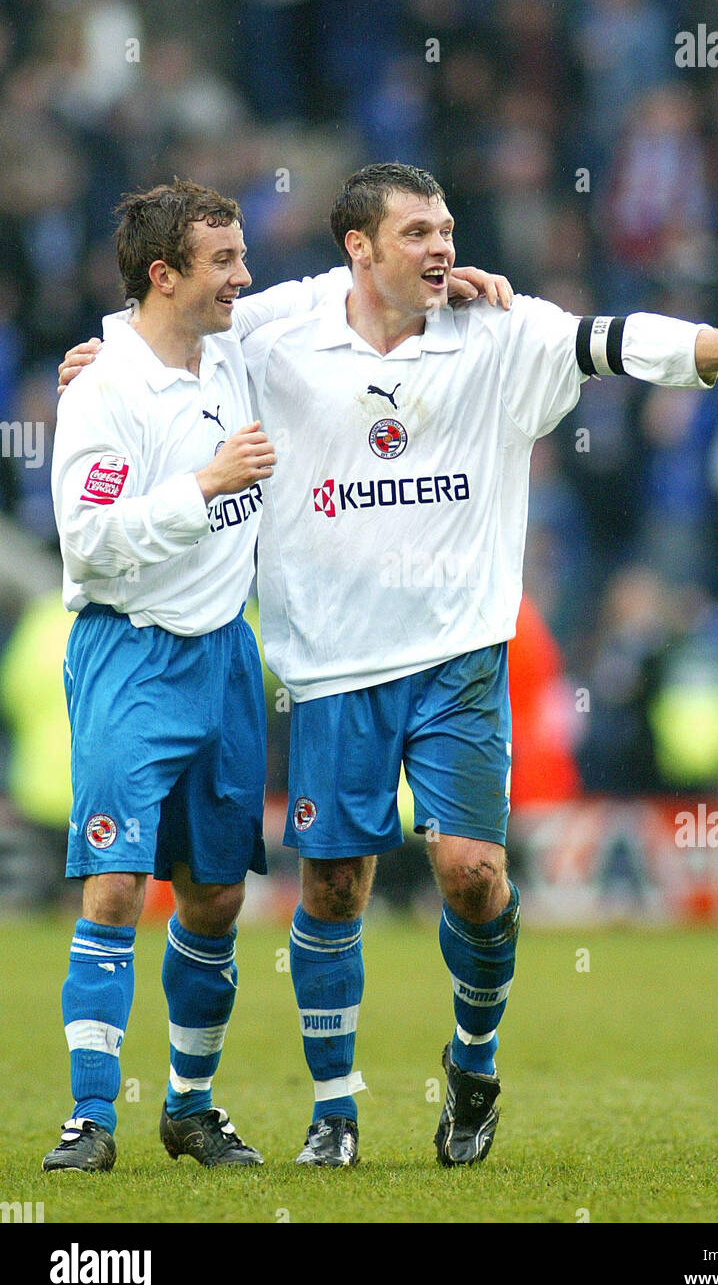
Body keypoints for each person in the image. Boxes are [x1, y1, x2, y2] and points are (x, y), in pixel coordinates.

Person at [237, 162, 718, 1169]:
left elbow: (610, 339)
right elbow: (181, 332)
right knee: (333, 882)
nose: (441, 248)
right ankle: (333, 1111)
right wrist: (103, 360)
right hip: (331, 655)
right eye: (418, 232)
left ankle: (472, 1063)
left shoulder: (498, 333)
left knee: (470, 873)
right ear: (359, 247)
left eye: (447, 228)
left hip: (459, 651)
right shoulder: (277, 332)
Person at [48, 174, 509, 1174]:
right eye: (223, 262)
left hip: (226, 656)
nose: (244, 278)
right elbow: (86, 544)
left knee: (213, 899)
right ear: (165, 275)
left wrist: (442, 277)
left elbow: (330, 293)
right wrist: (200, 487)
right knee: (117, 886)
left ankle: (188, 1106)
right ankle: (89, 1118)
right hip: (130, 647)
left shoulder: (234, 356)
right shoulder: (103, 387)